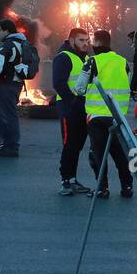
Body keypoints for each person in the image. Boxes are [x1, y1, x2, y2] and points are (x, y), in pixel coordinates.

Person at [78, 28, 133, 198]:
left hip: (96, 117)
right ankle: (127, 186)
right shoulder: (123, 62)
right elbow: (127, 84)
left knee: (98, 154)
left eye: (92, 41)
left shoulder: (92, 62)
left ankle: (102, 188)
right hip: (117, 116)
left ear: (97, 43)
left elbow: (79, 88)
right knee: (120, 154)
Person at [0, 18, 32, 158]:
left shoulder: (6, 45)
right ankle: (11, 145)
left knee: (7, 116)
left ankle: (11, 146)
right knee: (11, 115)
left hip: (6, 84)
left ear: (6, 30)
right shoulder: (21, 43)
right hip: (16, 84)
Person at [54, 27, 93, 196]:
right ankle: (66, 182)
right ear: (71, 41)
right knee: (69, 145)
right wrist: (73, 102)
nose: (86, 44)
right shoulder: (63, 57)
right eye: (82, 40)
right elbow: (59, 83)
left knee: (77, 145)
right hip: (68, 107)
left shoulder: (86, 58)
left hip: (83, 107)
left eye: (87, 40)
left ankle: (72, 179)